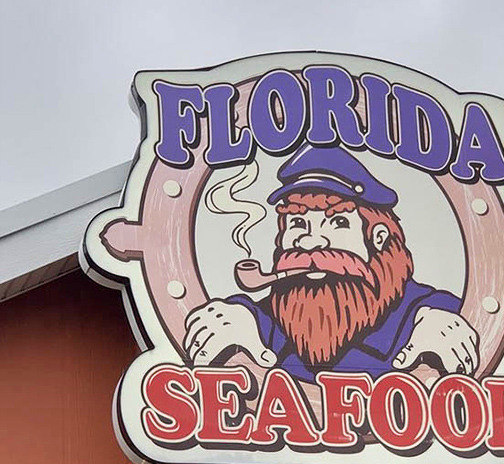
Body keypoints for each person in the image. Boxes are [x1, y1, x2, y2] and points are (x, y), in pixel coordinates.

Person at [183, 144, 479, 383]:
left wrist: (452, 321)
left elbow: (447, 312)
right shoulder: (269, 321)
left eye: (337, 222)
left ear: (377, 237)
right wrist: (235, 316)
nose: (311, 241)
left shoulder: (421, 314)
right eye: (297, 222)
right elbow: (257, 316)